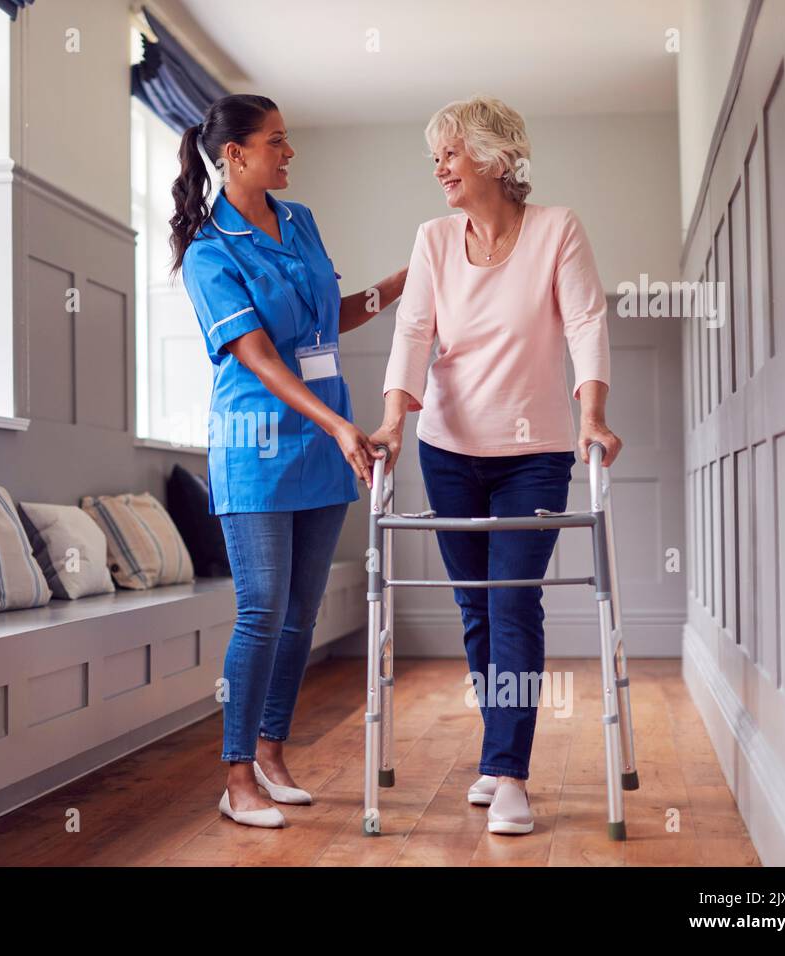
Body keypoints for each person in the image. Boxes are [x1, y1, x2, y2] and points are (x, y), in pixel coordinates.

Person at [370, 95, 622, 835]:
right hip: (446, 451)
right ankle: (496, 753)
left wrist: (593, 417)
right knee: (476, 607)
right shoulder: (434, 240)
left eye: (450, 151)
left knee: (512, 603)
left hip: (534, 455)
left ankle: (510, 772)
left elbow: (585, 323)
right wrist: (391, 420)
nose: (439, 166)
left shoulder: (556, 230)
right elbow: (412, 332)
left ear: (494, 156)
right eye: (436, 156)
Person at [171, 94, 407, 828]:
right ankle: (236, 773)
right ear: (234, 155)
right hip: (257, 450)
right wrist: (341, 424)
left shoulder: (299, 221)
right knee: (262, 612)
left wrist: (410, 279)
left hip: (323, 443)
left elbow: (330, 315)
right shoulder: (209, 252)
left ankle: (273, 752)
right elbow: (260, 355)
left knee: (301, 617)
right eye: (276, 142)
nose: (289, 152)